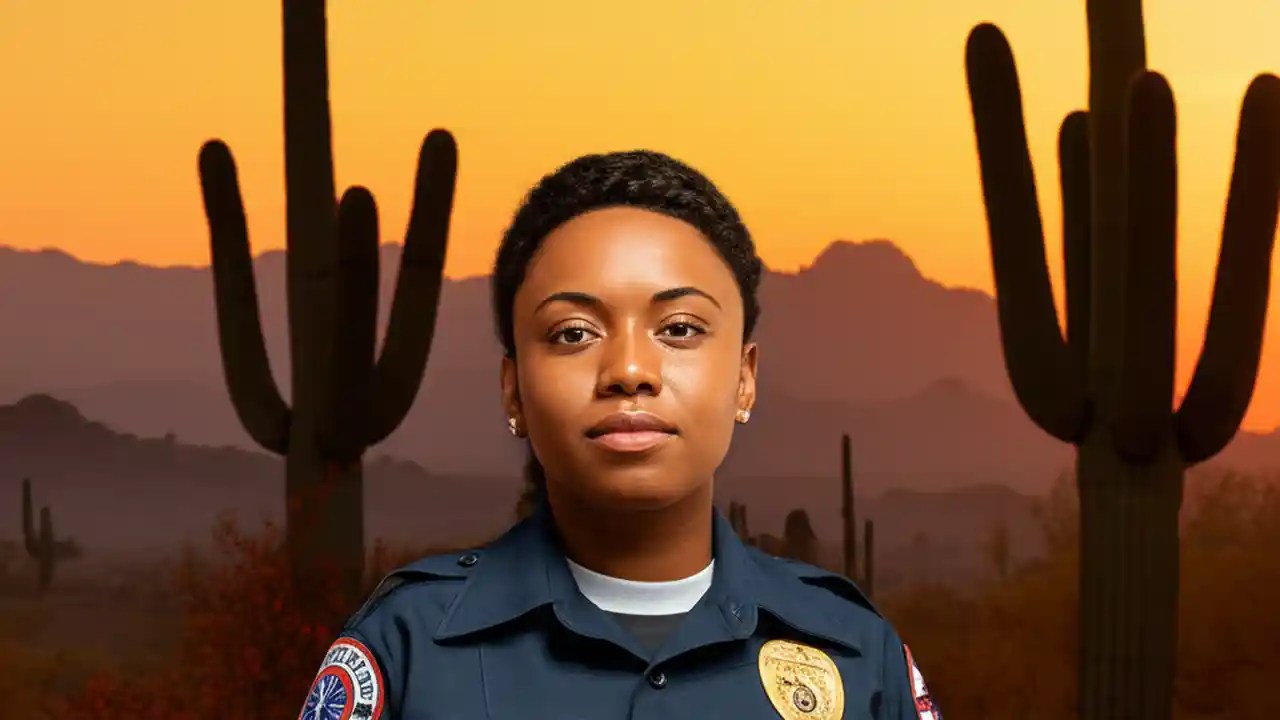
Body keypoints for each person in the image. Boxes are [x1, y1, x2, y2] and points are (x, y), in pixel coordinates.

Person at [297, 150, 943, 719]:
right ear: (513, 390)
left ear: (745, 380)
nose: (630, 371)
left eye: (681, 329)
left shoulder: (858, 654)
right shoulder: (407, 650)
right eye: (574, 333)